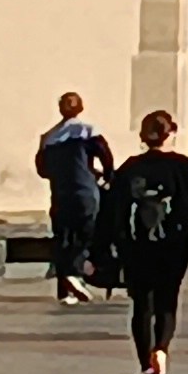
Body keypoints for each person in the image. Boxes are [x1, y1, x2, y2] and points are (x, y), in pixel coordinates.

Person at [103, 108, 188, 374]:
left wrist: (104, 247)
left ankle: (145, 365)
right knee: (167, 301)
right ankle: (161, 350)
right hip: (172, 245)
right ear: (171, 133)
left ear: (143, 136)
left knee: (142, 304)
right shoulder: (183, 167)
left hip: (136, 244)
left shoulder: (130, 168)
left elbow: (110, 210)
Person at [36, 91, 114, 305]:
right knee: (85, 233)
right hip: (85, 192)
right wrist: (106, 177)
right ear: (80, 108)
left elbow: (42, 170)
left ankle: (65, 291)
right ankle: (75, 274)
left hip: (60, 194)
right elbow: (105, 156)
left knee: (63, 238)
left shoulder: (49, 137)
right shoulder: (87, 131)